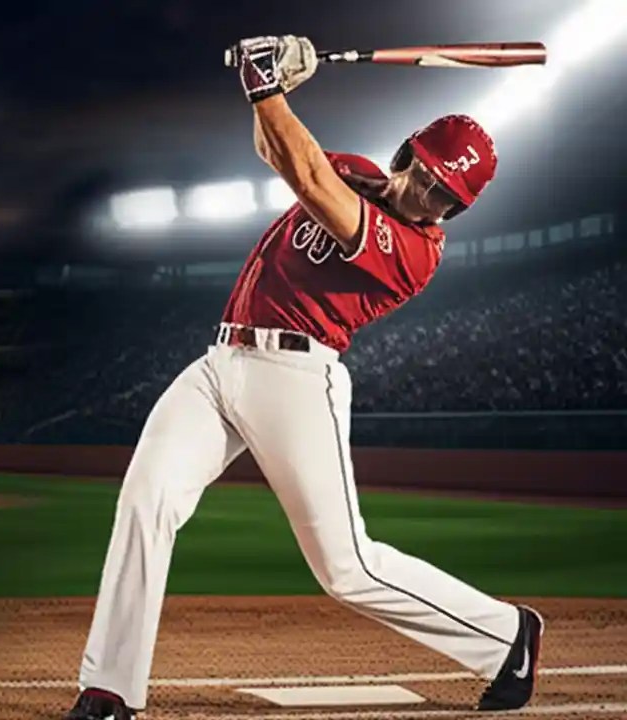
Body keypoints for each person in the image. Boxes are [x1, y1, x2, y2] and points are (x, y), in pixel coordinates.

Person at [63, 35, 542, 719]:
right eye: (427, 174)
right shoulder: (350, 168)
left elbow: (309, 178)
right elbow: (277, 150)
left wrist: (266, 85)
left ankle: (507, 636)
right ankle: (110, 690)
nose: (427, 195)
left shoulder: (411, 251)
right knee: (146, 500)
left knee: (346, 568)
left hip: (297, 377)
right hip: (220, 361)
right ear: (409, 153)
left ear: (454, 211)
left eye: (444, 195)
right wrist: (275, 83)